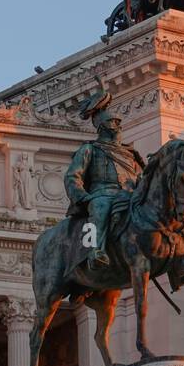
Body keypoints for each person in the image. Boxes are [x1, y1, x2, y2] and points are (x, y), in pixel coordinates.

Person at [63, 83, 144, 268]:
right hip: (102, 193)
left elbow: (140, 176)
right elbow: (72, 176)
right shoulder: (89, 149)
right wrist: (83, 197)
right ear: (101, 127)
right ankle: (94, 250)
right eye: (112, 123)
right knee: (99, 210)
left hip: (130, 195)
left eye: (118, 123)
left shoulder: (130, 153)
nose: (117, 126)